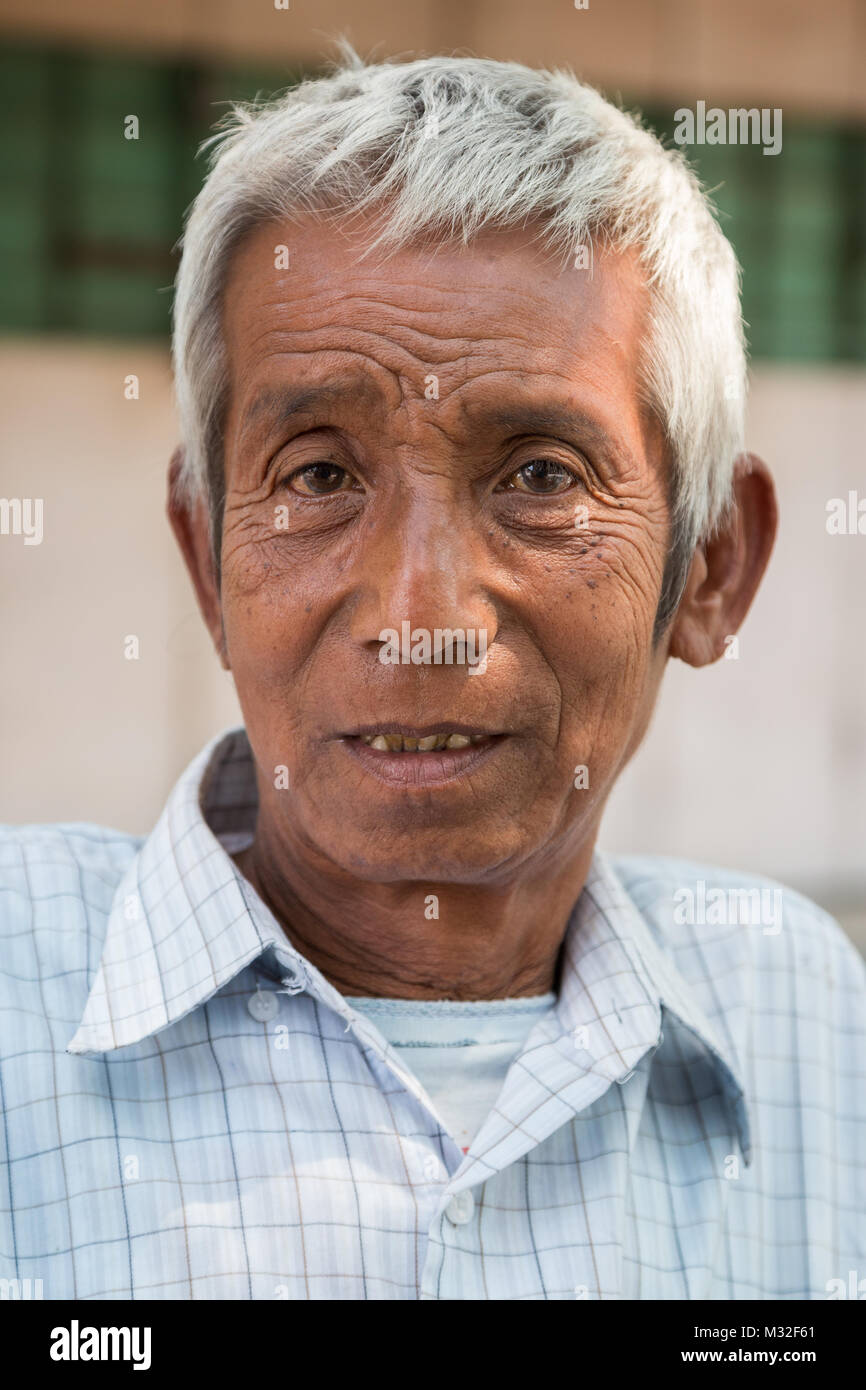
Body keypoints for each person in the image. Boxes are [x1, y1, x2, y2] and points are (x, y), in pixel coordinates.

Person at [1, 48, 863, 1300]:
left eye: (538, 477)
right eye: (317, 475)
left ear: (710, 566)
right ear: (207, 561)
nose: (421, 619)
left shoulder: (804, 1021)